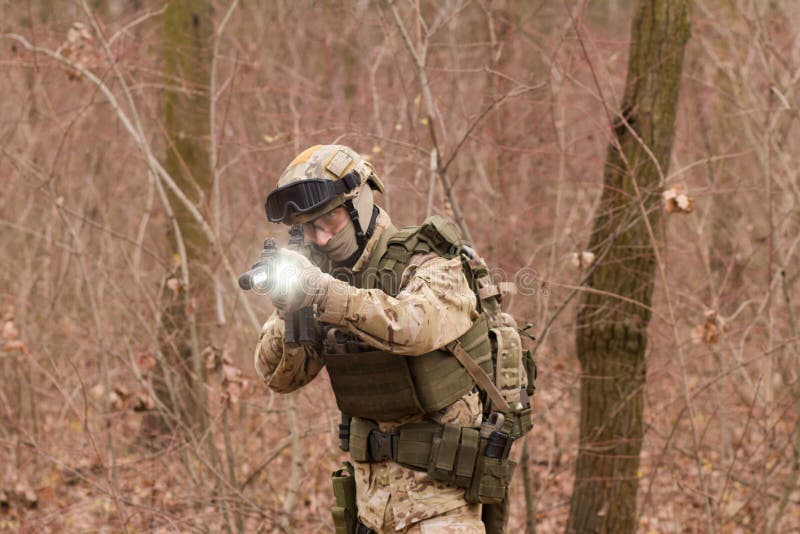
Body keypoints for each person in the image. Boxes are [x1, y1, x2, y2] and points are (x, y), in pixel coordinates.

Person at [252, 144, 529, 533]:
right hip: (368, 511)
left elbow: (412, 327)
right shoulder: (321, 279)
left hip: (441, 509)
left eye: (327, 221)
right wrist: (288, 310)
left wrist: (321, 292)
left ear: (359, 205)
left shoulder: (431, 261)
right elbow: (279, 378)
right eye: (305, 229)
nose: (318, 238)